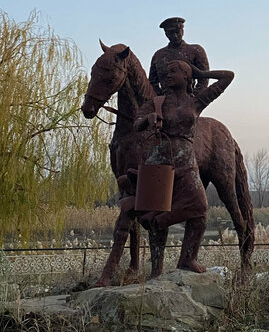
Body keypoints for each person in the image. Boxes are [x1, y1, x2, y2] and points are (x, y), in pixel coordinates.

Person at [94, 59, 233, 284]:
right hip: (158, 161)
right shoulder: (156, 102)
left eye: (174, 71)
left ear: (187, 77)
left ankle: (187, 258)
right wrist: (148, 120)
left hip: (186, 163)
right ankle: (156, 270)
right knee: (157, 210)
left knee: (199, 209)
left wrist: (200, 72)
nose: (168, 74)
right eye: (167, 71)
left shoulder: (196, 101)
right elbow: (137, 122)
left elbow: (228, 76)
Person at [149, 17, 210, 95]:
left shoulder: (195, 50)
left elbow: (204, 79)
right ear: (166, 34)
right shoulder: (158, 55)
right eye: (171, 33)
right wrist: (161, 99)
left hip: (189, 101)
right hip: (165, 103)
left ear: (182, 31)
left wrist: (194, 100)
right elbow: (152, 82)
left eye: (177, 32)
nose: (175, 35)